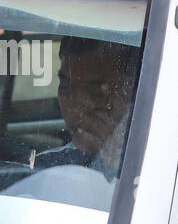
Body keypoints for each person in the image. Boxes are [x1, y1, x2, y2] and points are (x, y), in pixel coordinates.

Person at [32, 36, 141, 179]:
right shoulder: (49, 168)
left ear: (128, 93)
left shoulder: (158, 168)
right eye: (66, 86)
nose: (76, 107)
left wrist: (113, 165)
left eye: (96, 91)